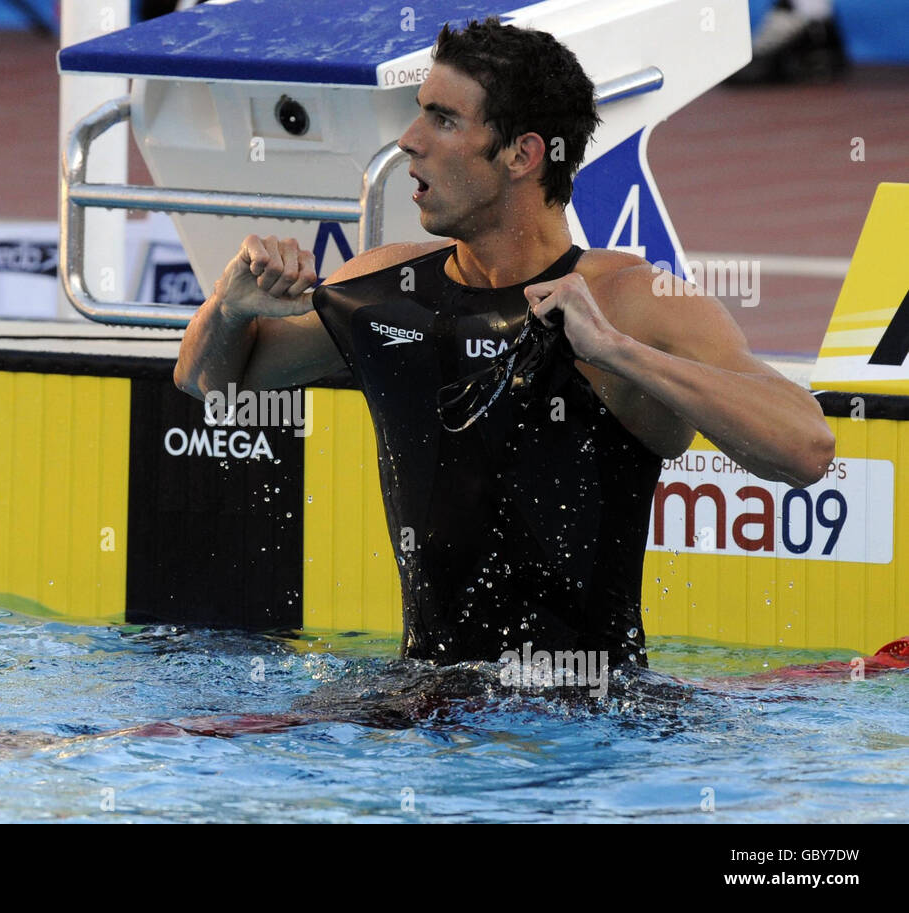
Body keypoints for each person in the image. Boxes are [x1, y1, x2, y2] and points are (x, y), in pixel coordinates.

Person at [174, 18, 836, 669]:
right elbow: (208, 382)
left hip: (590, 730)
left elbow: (807, 448)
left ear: (522, 154)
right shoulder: (382, 290)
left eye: (443, 120)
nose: (408, 140)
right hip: (431, 707)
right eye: (418, 114)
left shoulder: (628, 302)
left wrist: (615, 352)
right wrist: (226, 310)